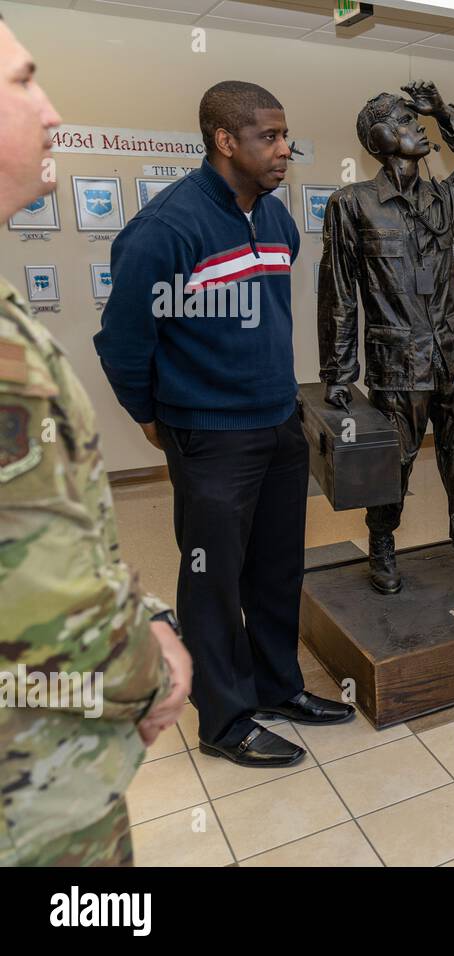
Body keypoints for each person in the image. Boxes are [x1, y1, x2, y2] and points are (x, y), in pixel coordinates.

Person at [94, 81, 352, 769]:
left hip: (278, 423)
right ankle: (226, 719)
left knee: (276, 570)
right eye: (269, 136)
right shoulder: (165, 230)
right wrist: (154, 416)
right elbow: (121, 343)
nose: (283, 150)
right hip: (209, 436)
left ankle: (277, 687)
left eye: (285, 136)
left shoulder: (276, 222)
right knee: (211, 581)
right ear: (224, 141)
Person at [0, 13, 191, 866]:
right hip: (36, 803)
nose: (52, 112)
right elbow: (41, 589)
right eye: (23, 82)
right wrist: (149, 669)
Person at [318, 80, 454, 615]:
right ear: (381, 136)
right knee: (393, 465)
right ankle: (382, 543)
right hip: (397, 364)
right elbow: (338, 294)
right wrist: (339, 373)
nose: (417, 127)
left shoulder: (442, 197)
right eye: (407, 121)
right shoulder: (352, 205)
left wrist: (445, 112)